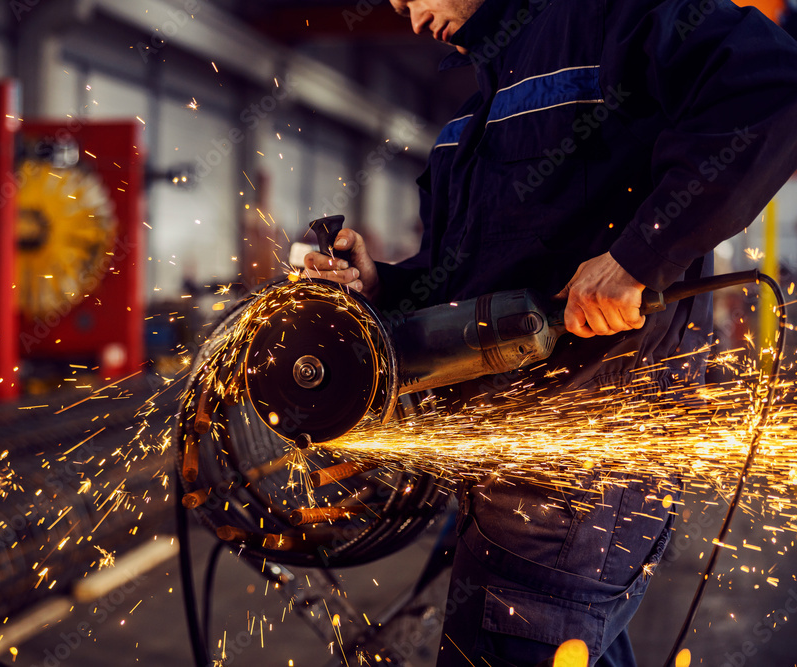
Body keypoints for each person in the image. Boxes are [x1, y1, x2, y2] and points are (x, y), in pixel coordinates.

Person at [304, 0, 797, 664]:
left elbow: (771, 86)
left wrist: (638, 256)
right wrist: (382, 286)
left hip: (576, 485)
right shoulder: (475, 114)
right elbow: (474, 282)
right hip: (510, 475)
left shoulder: (607, 16)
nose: (407, 14)